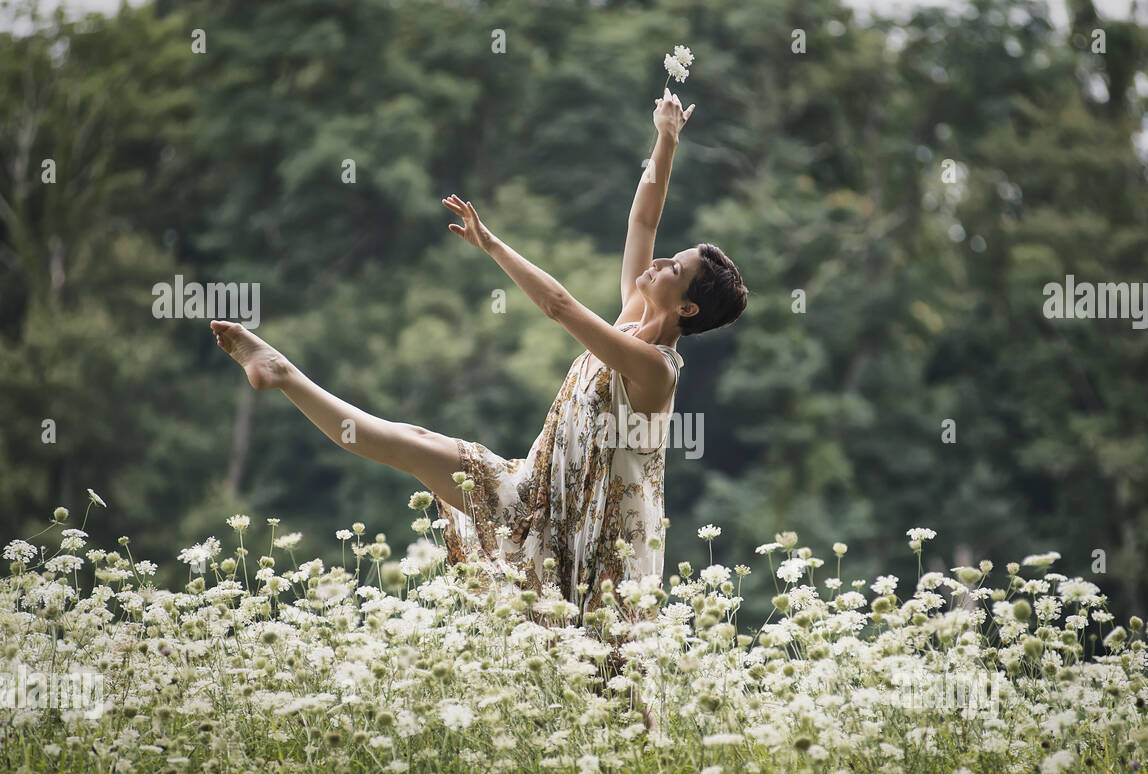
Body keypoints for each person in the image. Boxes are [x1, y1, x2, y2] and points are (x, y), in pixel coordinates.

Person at [210, 90, 747, 727]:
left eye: (672, 269)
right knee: (409, 442)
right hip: (534, 494)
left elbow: (559, 308)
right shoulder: (636, 311)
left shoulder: (655, 370)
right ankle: (282, 372)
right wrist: (667, 138)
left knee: (617, 701)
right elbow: (641, 224)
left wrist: (493, 244)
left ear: (686, 308)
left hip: (602, 546)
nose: (656, 264)